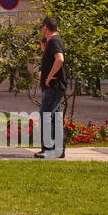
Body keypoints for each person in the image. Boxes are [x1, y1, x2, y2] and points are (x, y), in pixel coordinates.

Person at [36, 16, 66, 159]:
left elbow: (60, 59)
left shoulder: (54, 41)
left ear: (45, 27)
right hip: (54, 87)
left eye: (42, 27)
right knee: (55, 118)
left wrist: (49, 77)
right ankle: (58, 150)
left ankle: (49, 149)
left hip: (53, 87)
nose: (42, 29)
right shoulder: (52, 42)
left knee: (46, 116)